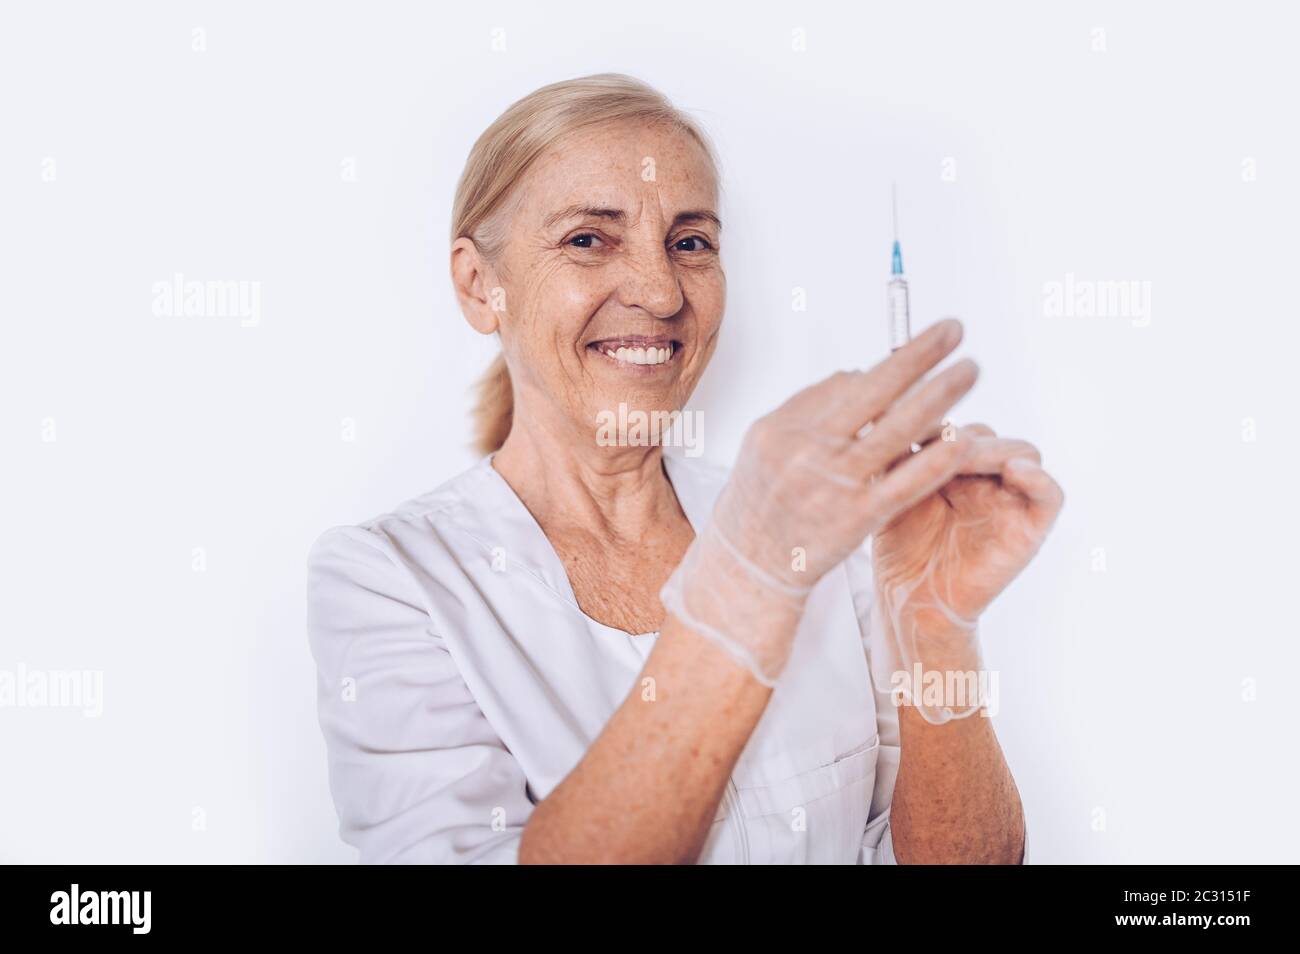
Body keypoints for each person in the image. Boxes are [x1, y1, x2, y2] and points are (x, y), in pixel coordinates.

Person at [307, 73, 1064, 864]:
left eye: (690, 242)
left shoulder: (821, 537)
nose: (661, 292)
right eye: (588, 239)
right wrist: (751, 576)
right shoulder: (388, 579)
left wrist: (935, 630)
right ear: (479, 284)